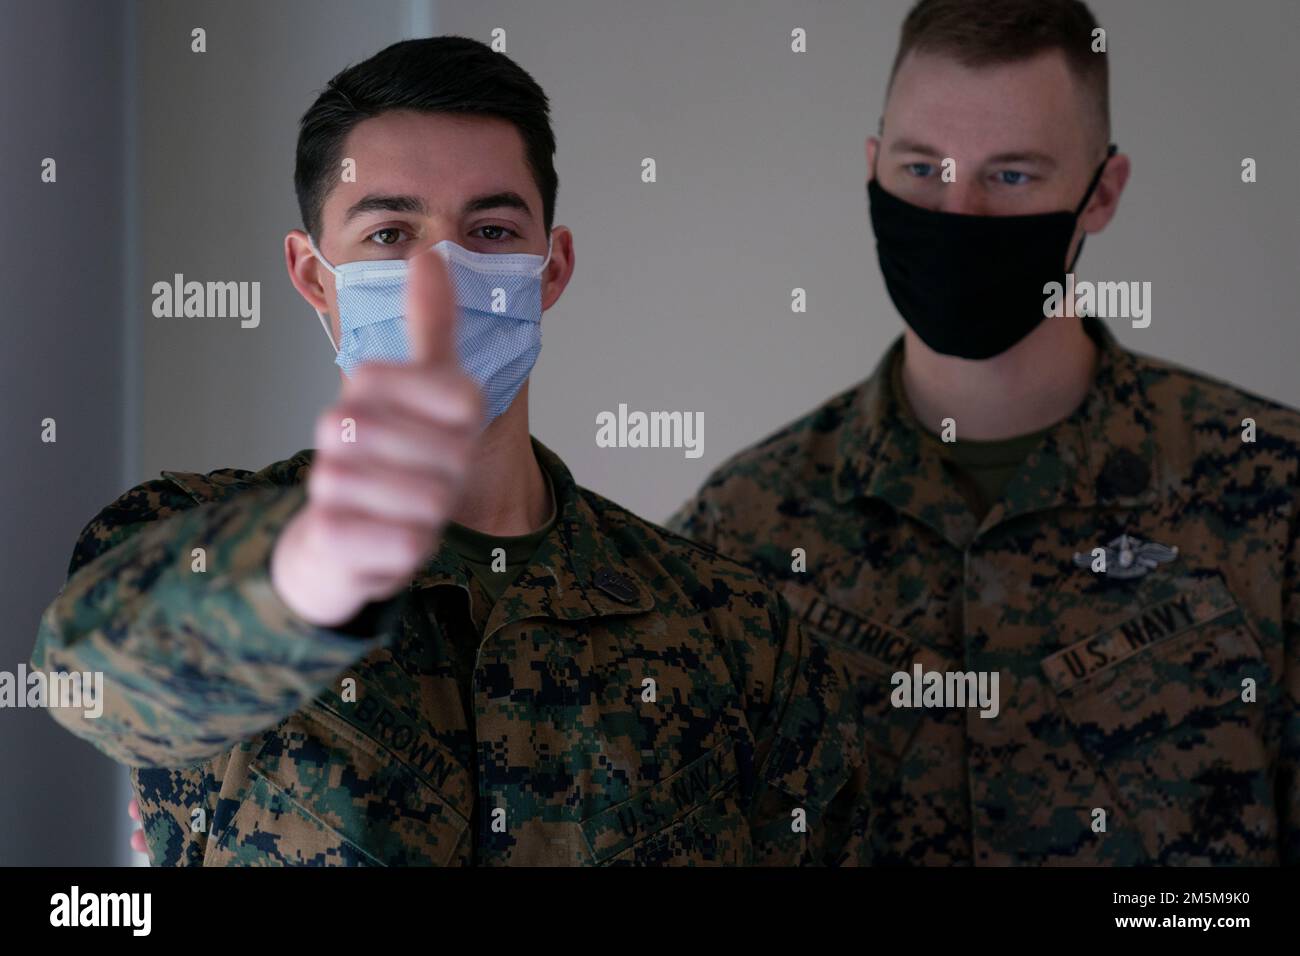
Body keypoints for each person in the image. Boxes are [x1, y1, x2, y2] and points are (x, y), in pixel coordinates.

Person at [32, 36, 868, 866]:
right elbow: (97, 687)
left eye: (492, 230)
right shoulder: (179, 535)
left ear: (553, 268)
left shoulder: (733, 632)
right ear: (313, 276)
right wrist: (315, 569)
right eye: (391, 233)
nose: (444, 271)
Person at [669, 0, 1299, 865]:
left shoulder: (1274, 495)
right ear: (871, 167)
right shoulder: (738, 534)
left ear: (1101, 194)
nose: (955, 211)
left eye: (1011, 176)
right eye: (921, 167)